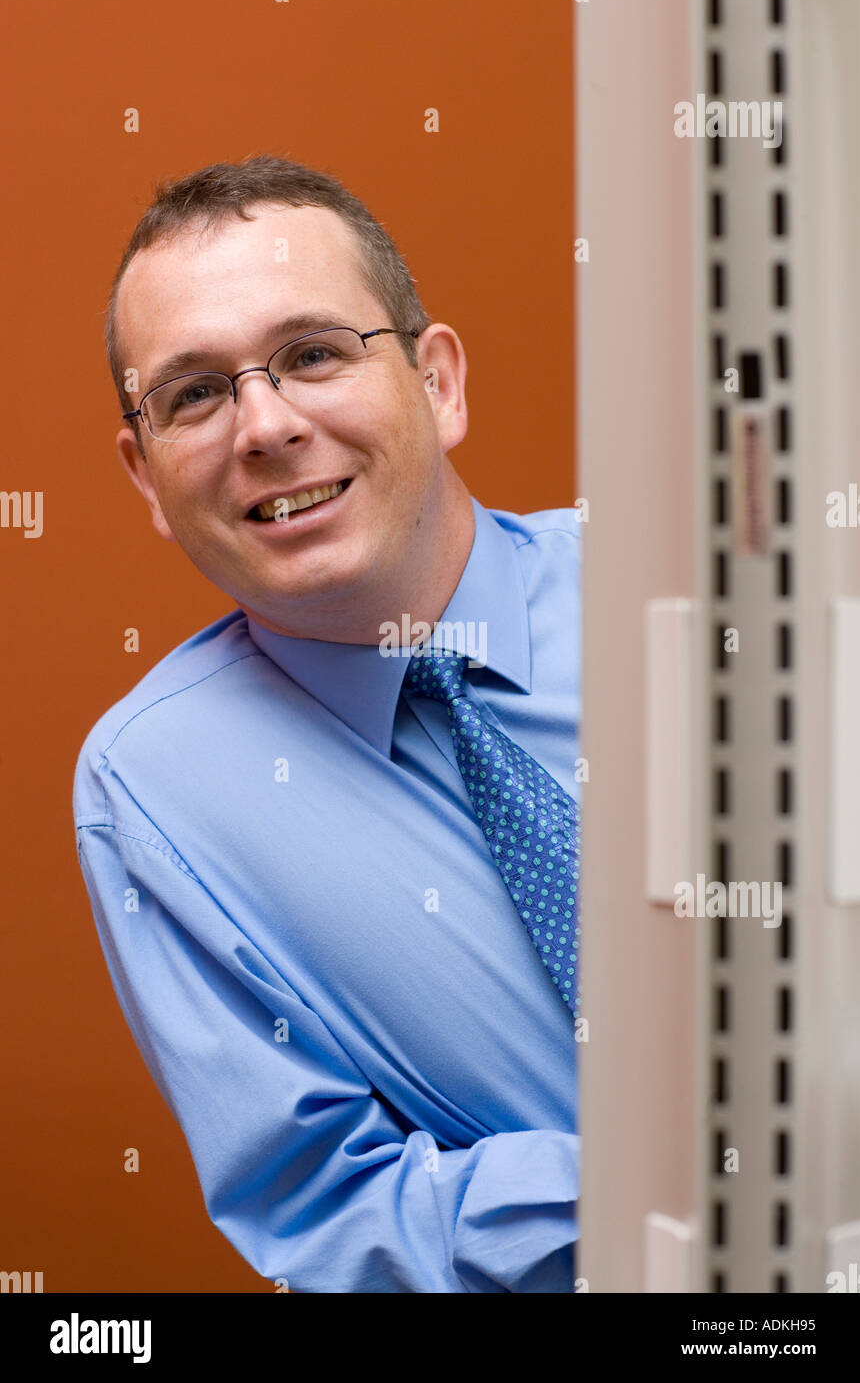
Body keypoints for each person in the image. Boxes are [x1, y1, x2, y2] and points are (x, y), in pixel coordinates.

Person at [73, 155, 581, 1293]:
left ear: (437, 383)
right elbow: (325, 1208)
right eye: (194, 393)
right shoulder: (151, 787)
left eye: (310, 354)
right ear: (146, 475)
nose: (262, 425)